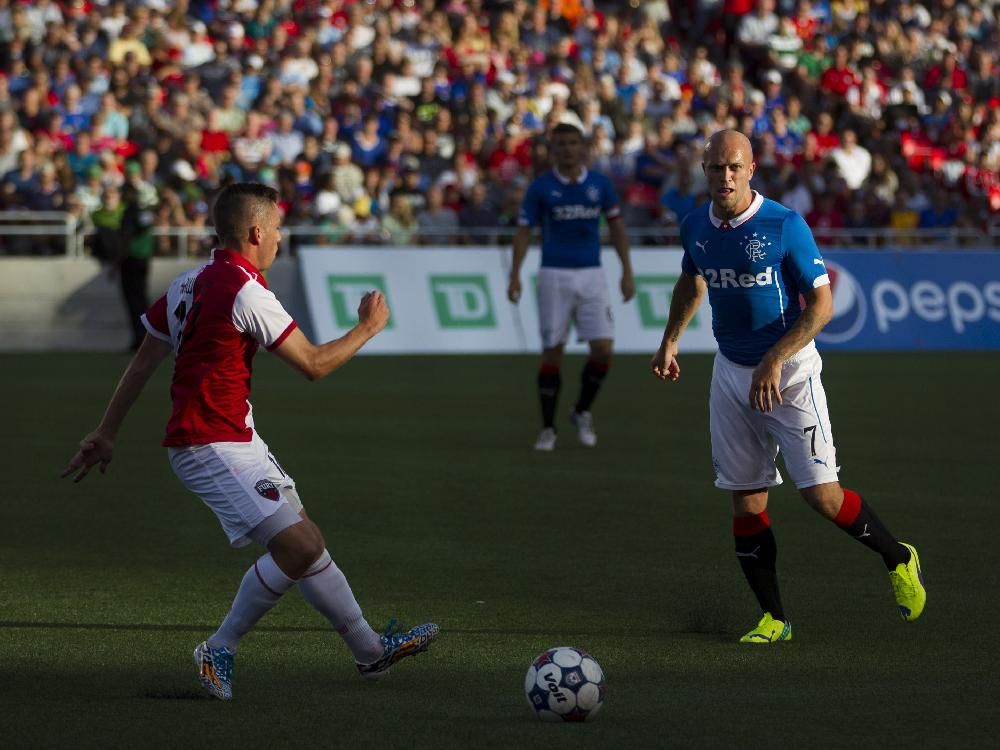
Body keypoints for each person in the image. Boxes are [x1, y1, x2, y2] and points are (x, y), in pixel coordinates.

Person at [61, 183, 438, 699]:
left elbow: (143, 362)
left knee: (307, 541)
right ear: (257, 232)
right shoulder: (246, 290)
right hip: (207, 445)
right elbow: (313, 364)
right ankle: (219, 646)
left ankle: (370, 652)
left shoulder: (189, 282)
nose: (281, 237)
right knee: (299, 546)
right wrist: (367, 329)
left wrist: (107, 430)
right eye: (278, 228)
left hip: (235, 437)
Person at [649, 130, 926, 643]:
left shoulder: (783, 224)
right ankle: (775, 619)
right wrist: (670, 340)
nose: (725, 176)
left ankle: (898, 557)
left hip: (790, 373)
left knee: (822, 496)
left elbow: (822, 305)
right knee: (746, 501)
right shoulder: (694, 225)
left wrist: (775, 358)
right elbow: (692, 279)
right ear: (704, 171)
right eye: (716, 167)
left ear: (751, 169)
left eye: (735, 167)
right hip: (730, 374)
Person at [508, 121, 635, 451]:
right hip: (554, 274)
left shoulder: (600, 184)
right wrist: (514, 273)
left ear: (583, 147)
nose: (567, 149)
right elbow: (524, 231)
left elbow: (617, 228)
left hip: (593, 274)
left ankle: (580, 411)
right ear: (553, 150)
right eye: (561, 144)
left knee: (603, 349)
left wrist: (626, 270)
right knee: (553, 350)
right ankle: (548, 428)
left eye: (573, 143)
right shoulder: (540, 188)